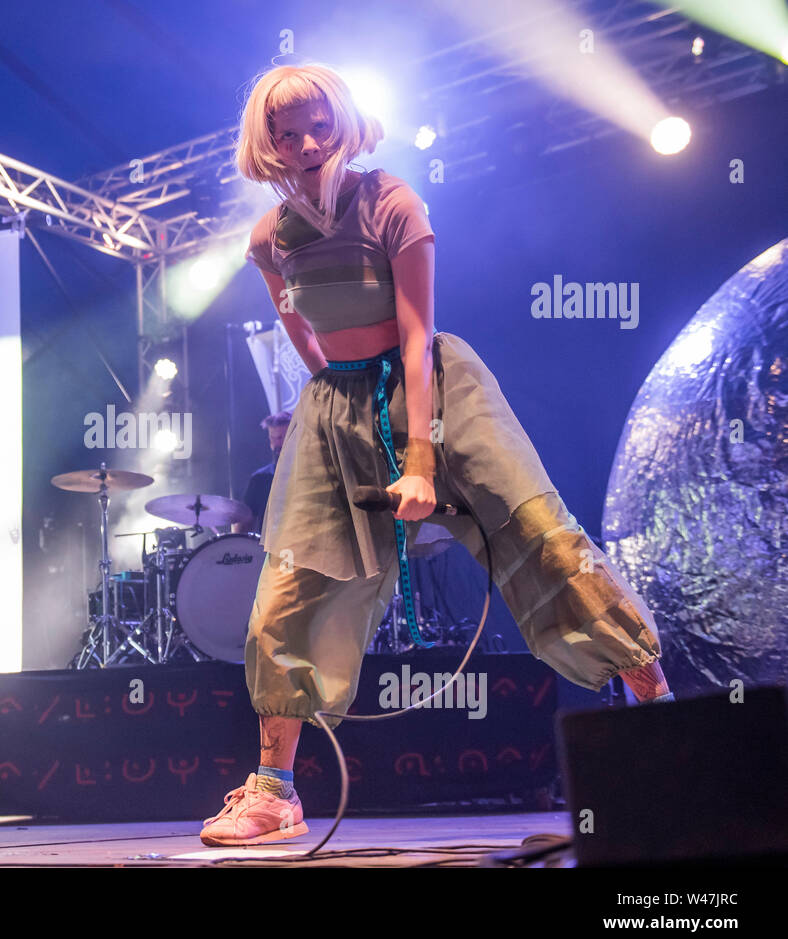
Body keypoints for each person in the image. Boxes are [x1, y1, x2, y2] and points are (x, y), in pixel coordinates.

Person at [200, 64, 673, 847]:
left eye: (318, 124)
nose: (305, 143)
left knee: (545, 546)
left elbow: (418, 338)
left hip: (436, 396)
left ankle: (665, 730)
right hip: (339, 407)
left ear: (343, 121)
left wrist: (419, 458)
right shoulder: (268, 239)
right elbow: (300, 333)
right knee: (289, 590)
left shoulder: (391, 201)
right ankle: (274, 792)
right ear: (268, 146)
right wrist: (327, 405)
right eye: (286, 134)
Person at [234, 412, 291, 535]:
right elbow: (244, 523)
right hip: (269, 551)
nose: (276, 444)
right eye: (272, 438)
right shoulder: (259, 479)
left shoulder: (309, 474)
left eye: (281, 437)